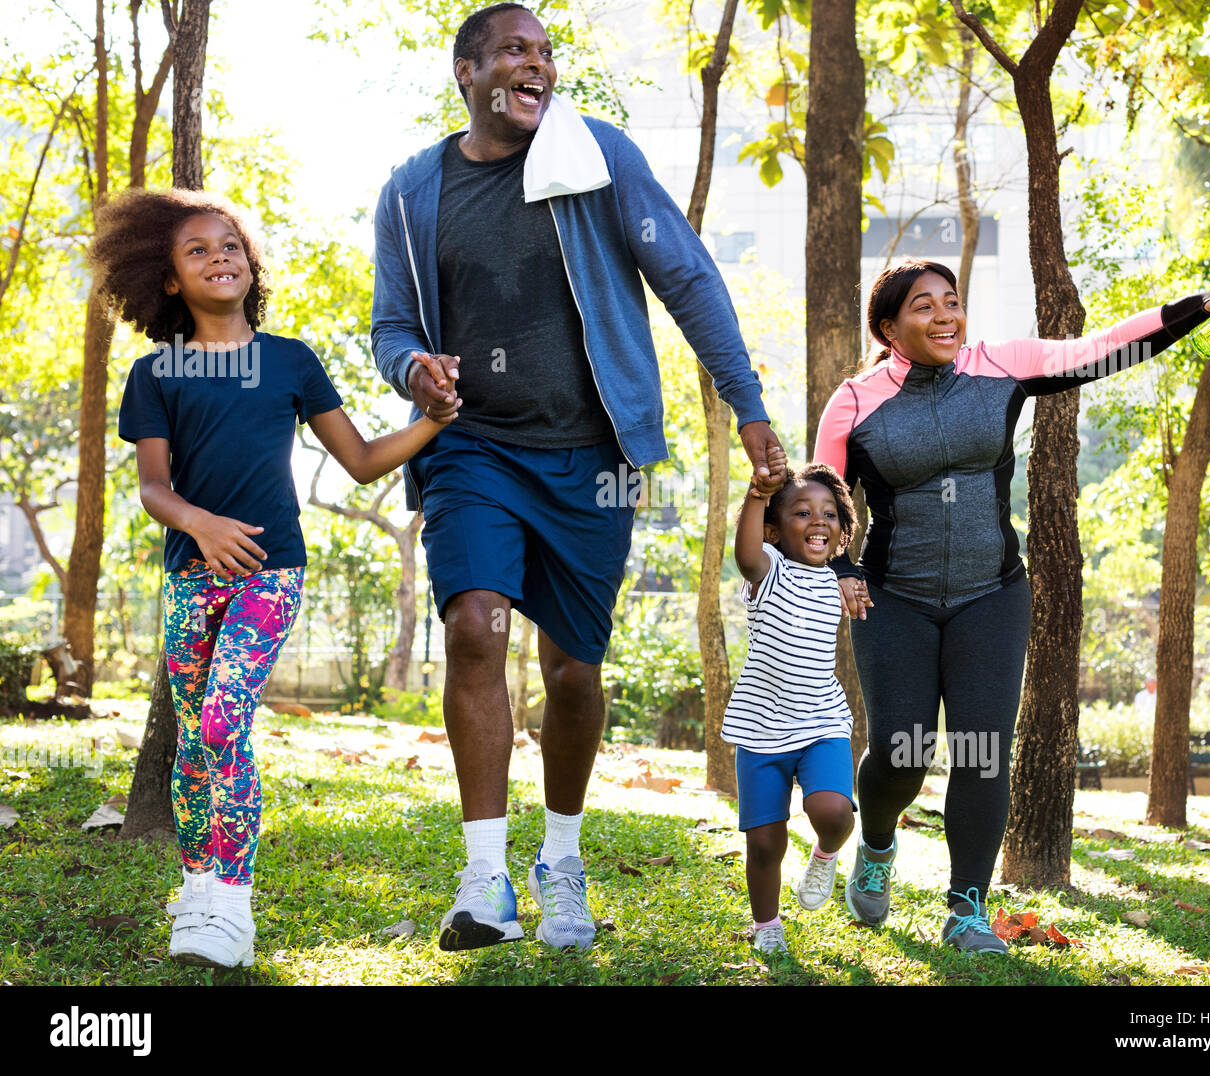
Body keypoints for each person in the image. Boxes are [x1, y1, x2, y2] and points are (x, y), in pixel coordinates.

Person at [370, 3, 786, 953]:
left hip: (594, 457)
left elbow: (686, 277)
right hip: (473, 445)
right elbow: (392, 323)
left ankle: (560, 855)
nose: (538, 67)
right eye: (516, 51)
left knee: (571, 672)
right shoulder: (410, 192)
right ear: (466, 70)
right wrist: (411, 371)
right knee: (474, 626)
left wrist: (748, 405)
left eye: (548, 54)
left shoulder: (595, 156)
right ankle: (483, 881)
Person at [814, 259, 1210, 953]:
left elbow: (1098, 352)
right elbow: (825, 498)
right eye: (925, 307)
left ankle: (967, 910)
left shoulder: (998, 365)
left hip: (992, 595)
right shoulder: (855, 402)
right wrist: (842, 569)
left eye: (952, 301)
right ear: (889, 329)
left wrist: (1186, 312)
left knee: (982, 754)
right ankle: (880, 843)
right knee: (900, 752)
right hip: (895, 601)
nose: (946, 315)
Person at [99, 188, 459, 969]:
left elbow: (361, 461)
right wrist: (200, 523)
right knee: (194, 746)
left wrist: (432, 419)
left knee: (225, 722)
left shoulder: (291, 361)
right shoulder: (154, 372)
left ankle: (232, 901)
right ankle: (198, 888)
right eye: (196, 250)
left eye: (229, 245)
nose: (218, 257)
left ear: (249, 262)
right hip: (192, 577)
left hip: (272, 573)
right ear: (167, 280)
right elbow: (153, 487)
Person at [725, 462, 869, 956]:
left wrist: (850, 579)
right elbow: (744, 556)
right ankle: (767, 924)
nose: (819, 521)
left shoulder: (837, 581)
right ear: (774, 529)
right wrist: (756, 494)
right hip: (761, 728)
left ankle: (826, 854)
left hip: (822, 723)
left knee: (832, 811)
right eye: (802, 512)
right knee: (765, 843)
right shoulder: (768, 570)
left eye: (830, 514)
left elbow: (848, 574)